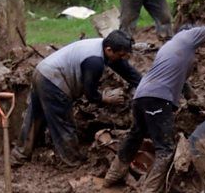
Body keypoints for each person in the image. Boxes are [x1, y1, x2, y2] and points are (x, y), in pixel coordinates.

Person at [103, 1, 205, 193]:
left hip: (142, 97)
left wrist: (194, 102)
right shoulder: (187, 37)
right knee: (166, 148)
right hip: (157, 99)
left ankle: (112, 176)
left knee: (135, 136)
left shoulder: (171, 49)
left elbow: (180, 81)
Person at [13, 31, 141, 167]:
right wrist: (105, 98)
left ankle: (20, 154)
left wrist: (145, 85)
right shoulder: (95, 61)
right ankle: (72, 160)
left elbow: (126, 70)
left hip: (42, 71)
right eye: (121, 55)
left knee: (36, 115)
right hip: (53, 80)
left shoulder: (104, 46)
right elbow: (90, 93)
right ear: (109, 50)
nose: (123, 58)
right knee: (63, 122)